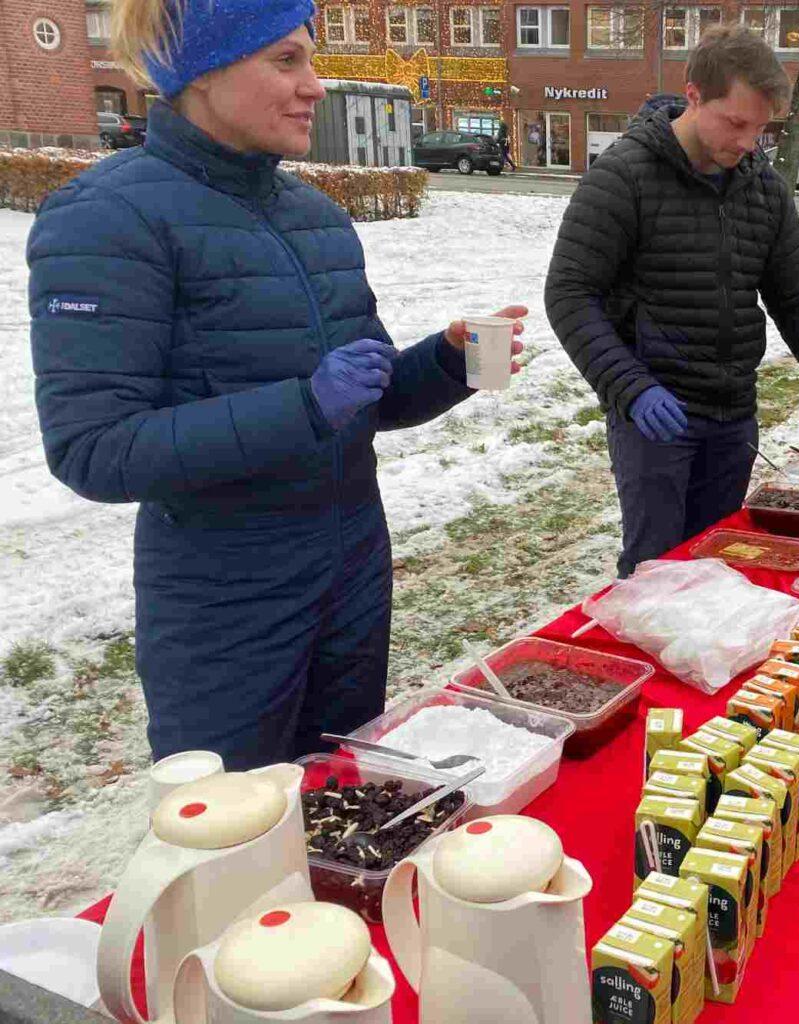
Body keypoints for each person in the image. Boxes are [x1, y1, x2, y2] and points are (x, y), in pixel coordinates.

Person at [27, 0, 526, 770]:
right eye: (285, 61)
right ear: (203, 73)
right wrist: (301, 406)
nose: (317, 86)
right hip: (227, 601)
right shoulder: (105, 218)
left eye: (311, 60)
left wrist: (449, 362)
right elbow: (93, 449)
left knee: (337, 808)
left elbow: (369, 397)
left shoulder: (316, 216)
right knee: (234, 836)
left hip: (351, 571)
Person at [545, 26, 799, 578]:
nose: (748, 142)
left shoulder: (762, 188)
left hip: (732, 413)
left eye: (761, 128)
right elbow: (569, 295)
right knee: (656, 567)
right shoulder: (623, 177)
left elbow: (794, 294)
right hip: (656, 414)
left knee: (717, 560)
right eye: (736, 123)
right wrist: (629, 387)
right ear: (694, 94)